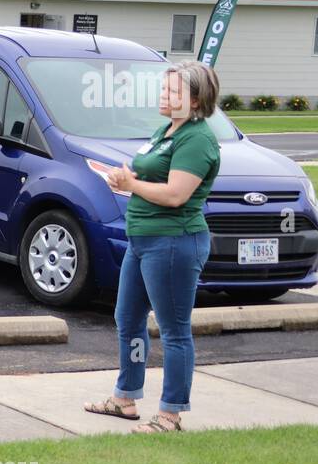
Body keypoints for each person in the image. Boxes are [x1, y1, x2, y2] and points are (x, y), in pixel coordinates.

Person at [85, 62, 221, 433]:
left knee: (174, 331)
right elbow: (150, 173)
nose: (164, 96)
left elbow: (176, 195)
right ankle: (125, 397)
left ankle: (170, 415)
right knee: (127, 319)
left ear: (195, 100)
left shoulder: (197, 139)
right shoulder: (167, 129)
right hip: (142, 241)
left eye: (173, 91)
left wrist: (133, 186)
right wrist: (124, 177)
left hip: (174, 243)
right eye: (164, 89)